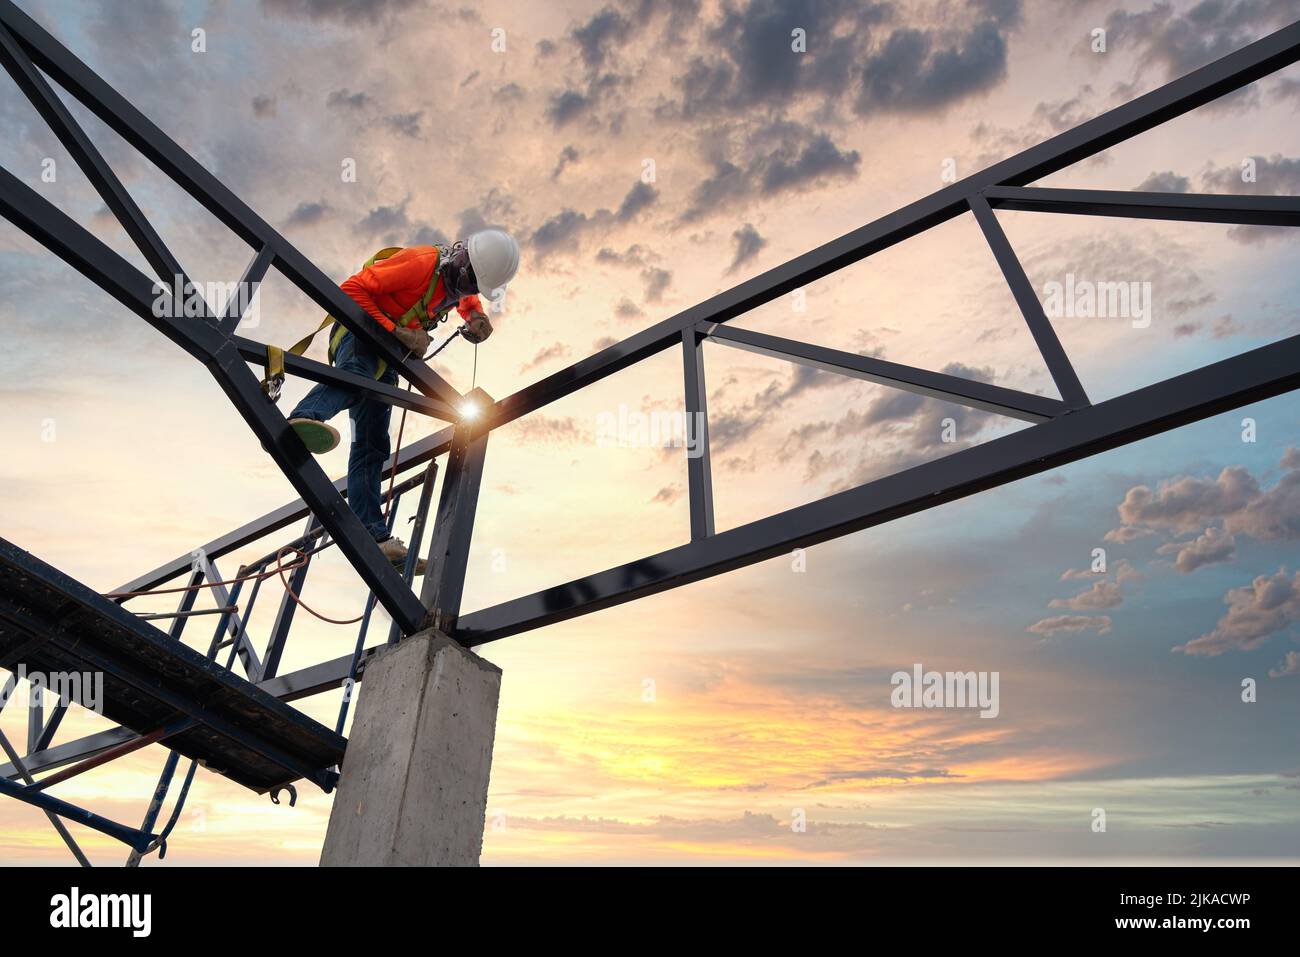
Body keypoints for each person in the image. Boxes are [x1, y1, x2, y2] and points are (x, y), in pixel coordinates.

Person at [288, 228, 520, 568]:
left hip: (387, 356)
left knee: (373, 447)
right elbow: (351, 290)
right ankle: (305, 416)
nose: (469, 292)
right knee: (358, 376)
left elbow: (464, 299)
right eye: (470, 284)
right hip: (359, 336)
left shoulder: (459, 283)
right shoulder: (420, 263)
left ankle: (374, 537)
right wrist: (397, 331)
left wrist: (475, 315)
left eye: (475, 289)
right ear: (462, 263)